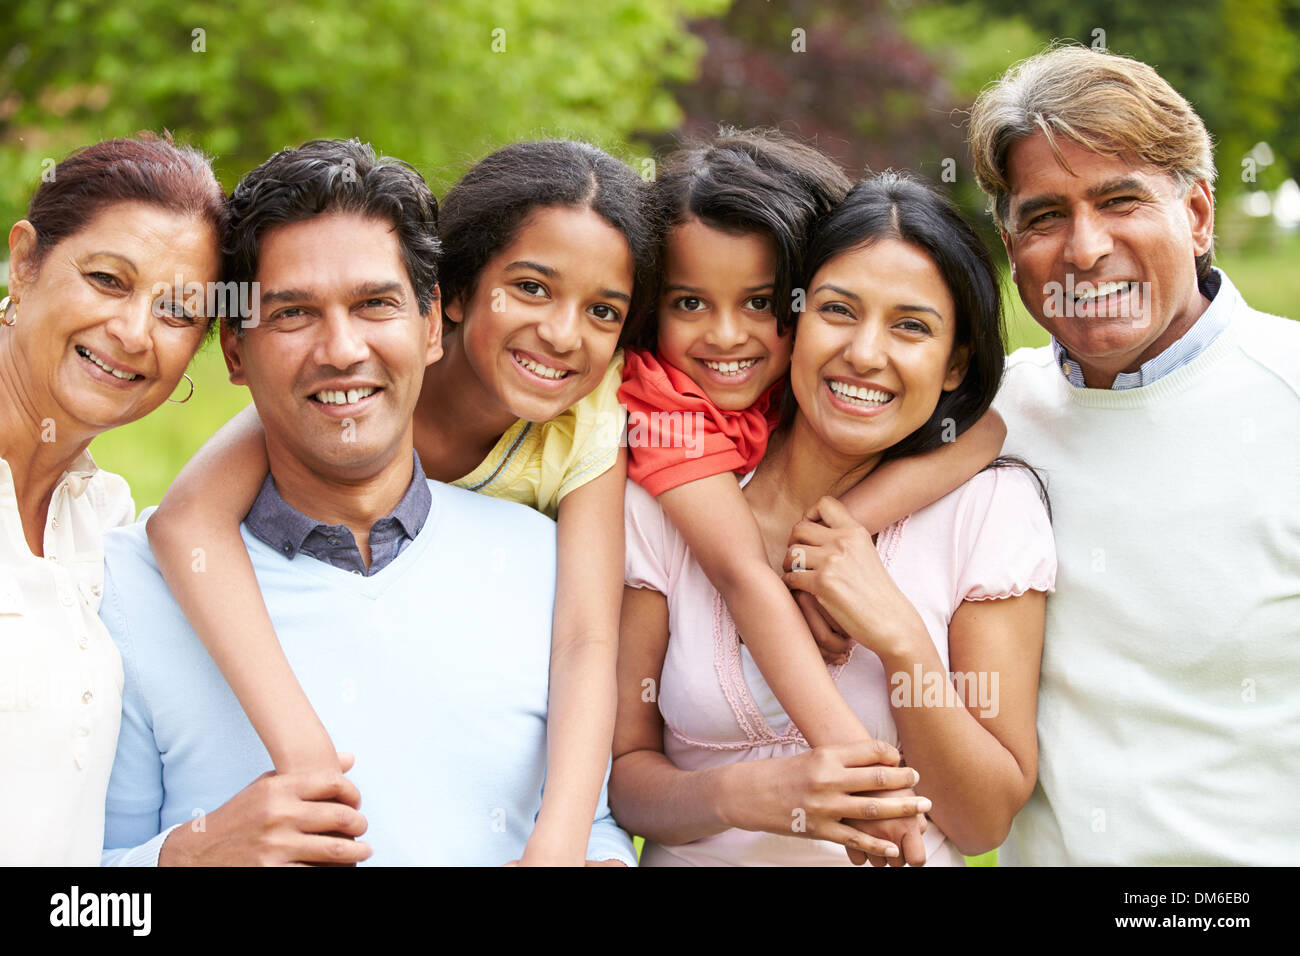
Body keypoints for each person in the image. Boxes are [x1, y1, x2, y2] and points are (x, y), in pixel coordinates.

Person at [99, 139, 636, 866]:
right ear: (233, 351)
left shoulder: (547, 564)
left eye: (375, 304)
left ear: (429, 324)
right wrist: (188, 855)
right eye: (292, 313)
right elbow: (81, 898)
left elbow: (591, 827)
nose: (342, 349)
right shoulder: (127, 591)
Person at [610, 173, 1056, 866]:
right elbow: (625, 780)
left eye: (911, 326)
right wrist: (742, 793)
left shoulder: (986, 510)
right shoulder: (673, 495)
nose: (865, 353)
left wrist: (903, 639)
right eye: (839, 310)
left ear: (954, 364)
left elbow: (983, 824)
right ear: (795, 320)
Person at [968, 45, 1300, 865]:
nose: (1084, 250)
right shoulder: (984, 421)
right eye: (1044, 216)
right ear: (1010, 243)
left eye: (1121, 200)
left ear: (1196, 214)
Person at [0, 134, 226, 866]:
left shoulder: (104, 523)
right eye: (106, 279)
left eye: (177, 312)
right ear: (25, 262)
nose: (132, 333)